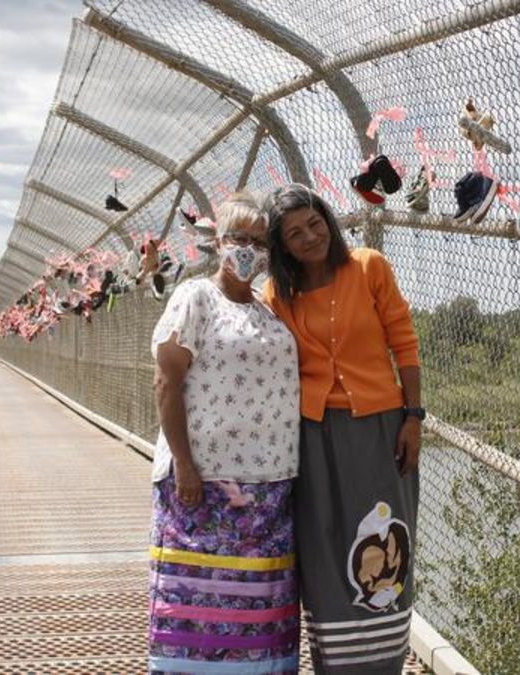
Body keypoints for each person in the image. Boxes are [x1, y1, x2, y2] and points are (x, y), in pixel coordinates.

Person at [262, 185, 423, 673]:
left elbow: (405, 345)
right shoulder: (277, 293)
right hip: (312, 436)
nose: (310, 237)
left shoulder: (369, 267)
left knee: (386, 539)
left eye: (315, 223)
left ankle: (384, 662)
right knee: (323, 541)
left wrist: (413, 418)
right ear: (281, 245)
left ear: (328, 220)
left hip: (381, 429)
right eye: (294, 233)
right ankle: (336, 663)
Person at [148, 193, 301, 674]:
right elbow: (166, 380)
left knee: (261, 613)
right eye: (238, 238)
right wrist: (185, 465)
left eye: (258, 241)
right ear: (218, 240)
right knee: (196, 604)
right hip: (205, 484)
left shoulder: (270, 310)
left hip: (270, 489)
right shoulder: (196, 296)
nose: (247, 249)